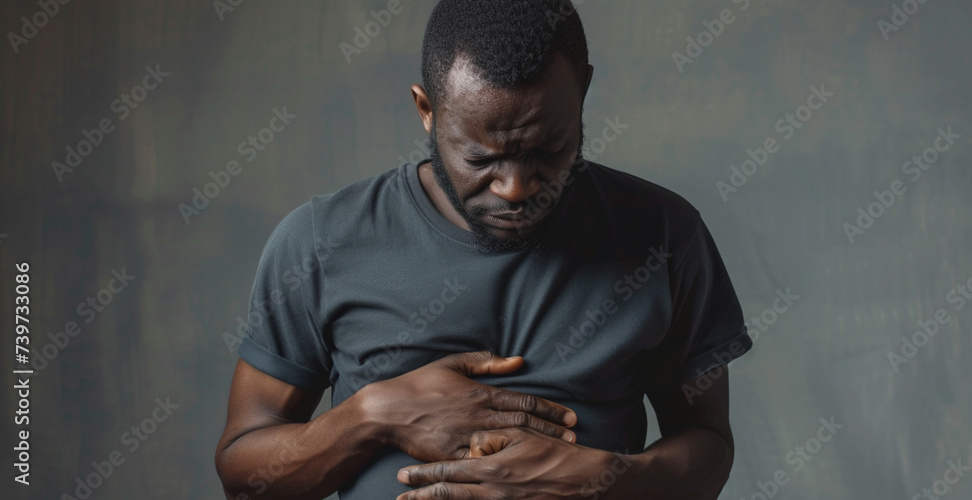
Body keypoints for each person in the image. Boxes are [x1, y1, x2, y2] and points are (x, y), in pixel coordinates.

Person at [215, 1, 752, 498]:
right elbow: (244, 476)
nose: (515, 188)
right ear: (426, 110)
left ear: (582, 92)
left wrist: (607, 482)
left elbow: (709, 445)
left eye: (548, 149)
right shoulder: (320, 241)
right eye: (481, 158)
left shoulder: (664, 236)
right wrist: (372, 416)